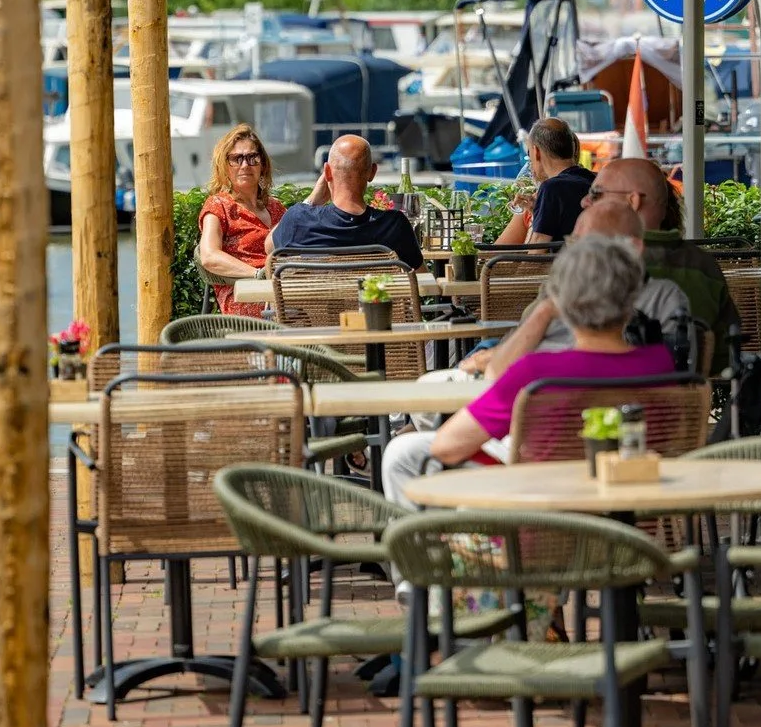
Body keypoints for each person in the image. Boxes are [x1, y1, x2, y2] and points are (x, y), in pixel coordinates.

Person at [382, 236, 675, 507]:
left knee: (403, 454)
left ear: (563, 302)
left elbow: (447, 448)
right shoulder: (660, 363)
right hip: (627, 512)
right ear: (631, 301)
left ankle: (432, 555)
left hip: (537, 522)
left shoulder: (537, 372)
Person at [469, 198, 691, 380]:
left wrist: (547, 311)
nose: (576, 253)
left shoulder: (538, 368)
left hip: (534, 394)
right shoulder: (655, 361)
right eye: (573, 241)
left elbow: (498, 373)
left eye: (589, 244)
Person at [584, 155, 740, 373]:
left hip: (596, 393)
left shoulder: (592, 261)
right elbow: (726, 352)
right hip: (686, 398)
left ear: (633, 201)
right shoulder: (703, 265)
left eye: (596, 194)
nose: (585, 201)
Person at [265, 135, 422, 268]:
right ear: (372, 172)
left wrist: (312, 199)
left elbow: (269, 247)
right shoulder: (394, 225)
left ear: (327, 172)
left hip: (315, 304)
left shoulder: (298, 219)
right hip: (373, 304)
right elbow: (421, 281)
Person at [196, 123, 287, 317]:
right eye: (237, 159)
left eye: (252, 157)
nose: (245, 165)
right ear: (225, 166)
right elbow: (209, 256)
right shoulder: (218, 205)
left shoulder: (276, 208)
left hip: (282, 288)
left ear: (262, 164)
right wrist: (257, 275)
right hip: (244, 295)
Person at [494, 117, 592, 246]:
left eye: (529, 153)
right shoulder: (594, 181)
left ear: (536, 152)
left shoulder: (551, 188)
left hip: (558, 265)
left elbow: (537, 250)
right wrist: (538, 210)